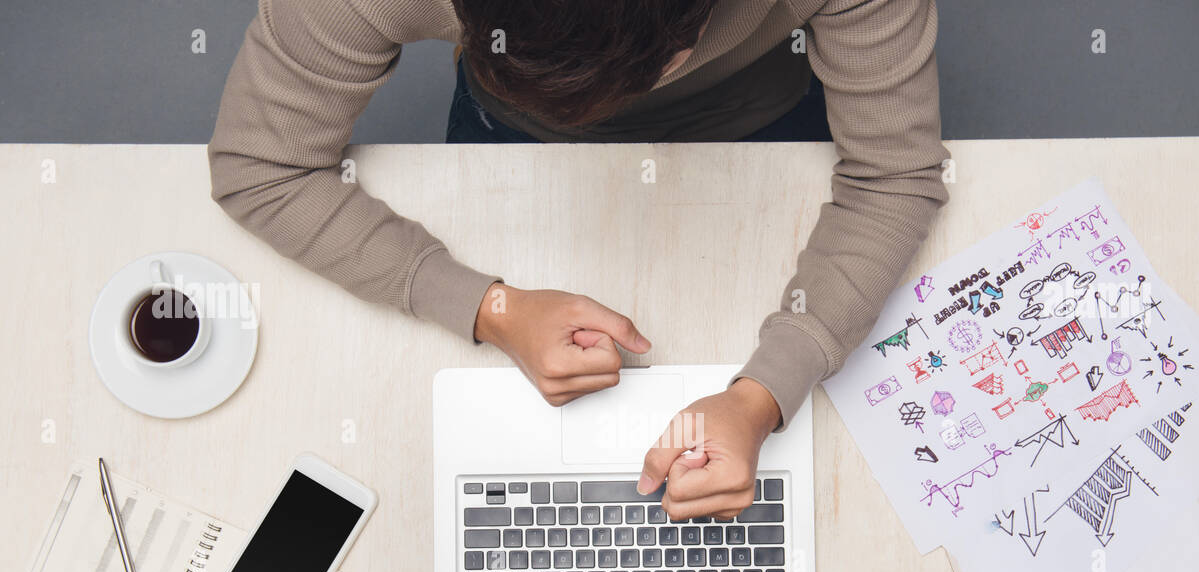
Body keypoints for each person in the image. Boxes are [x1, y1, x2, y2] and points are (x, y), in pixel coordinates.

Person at [208, 0, 948, 519]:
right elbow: (261, 164)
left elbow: (892, 176)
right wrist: (486, 306)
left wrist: (762, 397)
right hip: (510, 130)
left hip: (765, 118)